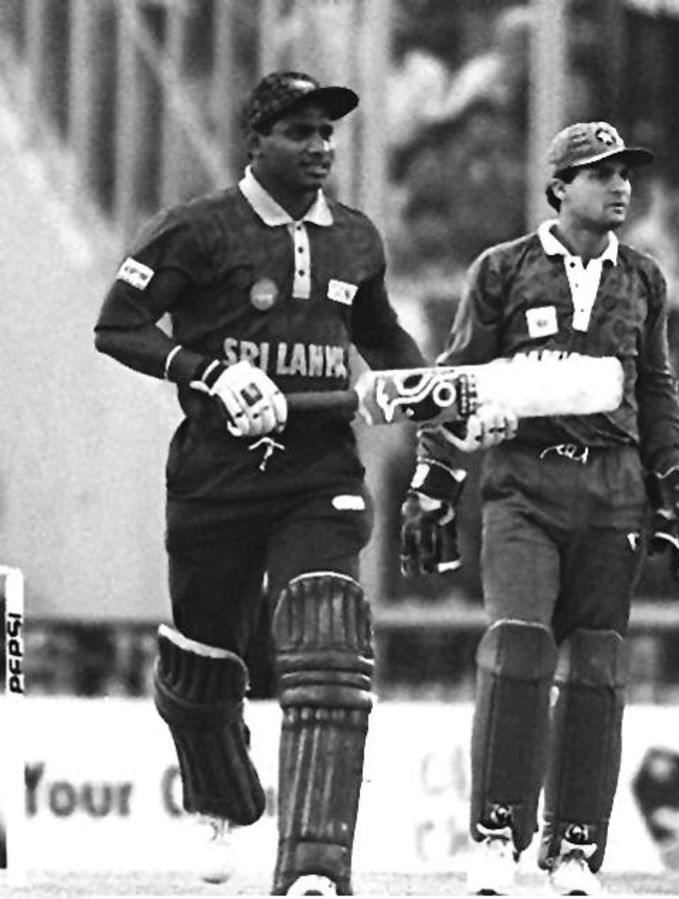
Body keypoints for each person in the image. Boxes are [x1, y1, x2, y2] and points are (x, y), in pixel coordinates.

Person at [93, 71, 512, 896]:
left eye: (328, 133)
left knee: (325, 628)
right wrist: (206, 373)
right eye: (301, 132)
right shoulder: (197, 229)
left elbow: (382, 333)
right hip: (216, 471)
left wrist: (444, 404)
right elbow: (117, 325)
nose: (321, 147)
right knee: (205, 651)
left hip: (320, 468)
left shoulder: (356, 237)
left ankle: (314, 866)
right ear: (257, 140)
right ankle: (216, 796)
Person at [399, 121, 679, 895]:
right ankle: (496, 834)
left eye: (625, 173)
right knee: (519, 644)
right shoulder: (503, 269)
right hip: (524, 484)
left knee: (599, 660)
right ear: (559, 187)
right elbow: (458, 377)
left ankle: (574, 849)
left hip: (615, 490)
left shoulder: (643, 278)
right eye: (600, 172)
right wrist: (434, 476)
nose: (620, 186)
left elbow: (657, 391)